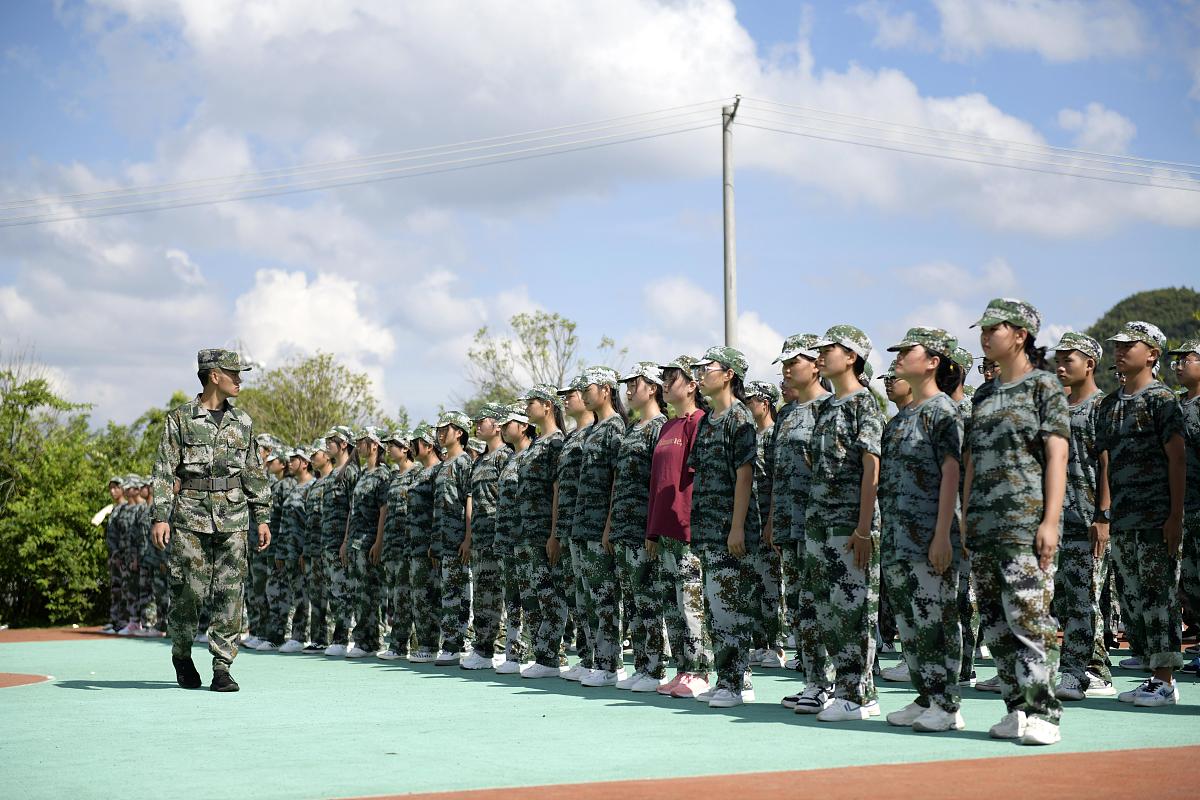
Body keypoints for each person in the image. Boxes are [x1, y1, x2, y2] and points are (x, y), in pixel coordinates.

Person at [965, 298, 1068, 745]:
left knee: (1030, 619)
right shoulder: (984, 393)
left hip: (1025, 523)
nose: (985, 337)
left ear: (1021, 335)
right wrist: (966, 515)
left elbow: (1056, 455)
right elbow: (971, 462)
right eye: (983, 330)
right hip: (985, 525)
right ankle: (1016, 708)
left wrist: (1050, 520)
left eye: (995, 329)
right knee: (995, 623)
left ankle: (1045, 712)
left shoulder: (1044, 387)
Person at [150, 348, 271, 692]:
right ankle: (182, 653)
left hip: (233, 517)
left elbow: (254, 473)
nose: (240, 380)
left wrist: (262, 516)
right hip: (190, 517)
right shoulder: (180, 418)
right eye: (234, 374)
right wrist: (161, 516)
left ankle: (222, 665)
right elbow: (163, 471)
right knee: (189, 591)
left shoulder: (243, 422)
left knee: (230, 594)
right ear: (214, 375)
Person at [879, 327, 965, 732]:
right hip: (898, 538)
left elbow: (952, 473)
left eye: (906, 352)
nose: (897, 358)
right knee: (910, 624)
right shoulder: (900, 420)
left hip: (930, 536)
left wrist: (943, 534)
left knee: (938, 620)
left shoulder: (944, 411)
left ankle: (947, 704)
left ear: (933, 361)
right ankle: (926, 694)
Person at [1098, 321, 1186, 707]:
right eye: (1117, 346)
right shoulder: (1110, 404)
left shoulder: (1162, 399)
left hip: (1155, 516)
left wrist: (1175, 515)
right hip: (1124, 517)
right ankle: (1153, 673)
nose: (1119, 351)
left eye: (1129, 345)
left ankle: (1165, 679)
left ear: (1152, 354)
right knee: (1131, 597)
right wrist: (1104, 513)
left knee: (1158, 596)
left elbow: (1178, 458)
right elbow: (1104, 461)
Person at [803, 326, 884, 722]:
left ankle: (860, 694)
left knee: (855, 609)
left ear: (851, 356)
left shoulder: (863, 404)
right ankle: (843, 688)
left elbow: (872, 466)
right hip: (820, 525)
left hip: (851, 525)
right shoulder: (826, 406)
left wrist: (864, 527)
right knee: (829, 611)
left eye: (829, 348)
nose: (821, 354)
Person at [687, 346, 760, 708]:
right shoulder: (706, 420)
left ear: (728, 374)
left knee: (730, 605)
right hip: (706, 529)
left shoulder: (740, 418)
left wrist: (737, 528)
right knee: (716, 607)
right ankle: (730, 678)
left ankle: (735, 682)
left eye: (707, 368)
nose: (700, 374)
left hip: (729, 530)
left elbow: (744, 477)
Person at [768, 335, 835, 712]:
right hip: (790, 527)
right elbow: (779, 474)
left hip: (820, 525)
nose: (787, 369)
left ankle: (833, 683)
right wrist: (775, 523)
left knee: (823, 604)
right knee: (799, 604)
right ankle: (813, 679)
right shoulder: (788, 413)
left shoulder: (828, 408)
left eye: (795, 361)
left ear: (816, 365)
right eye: (784, 363)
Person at [1050, 332, 1116, 700]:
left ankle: (1075, 672)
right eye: (1057, 359)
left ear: (1089, 364)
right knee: (1066, 598)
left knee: (1083, 598)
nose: (1060, 366)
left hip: (1087, 519)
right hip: (1059, 519)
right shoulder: (1058, 407)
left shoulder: (1101, 407)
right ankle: (1097, 669)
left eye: (1068, 359)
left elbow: (1107, 462)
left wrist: (1103, 516)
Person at [647, 355, 711, 699]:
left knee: (690, 601)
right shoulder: (668, 427)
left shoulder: (699, 422)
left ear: (692, 384)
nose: (666, 383)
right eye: (665, 377)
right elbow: (658, 481)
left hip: (687, 527)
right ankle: (683, 668)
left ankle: (700, 671)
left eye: (673, 378)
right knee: (672, 602)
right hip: (664, 526)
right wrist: (653, 530)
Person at [609, 364, 668, 691]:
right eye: (628, 385)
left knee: (649, 599)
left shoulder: (660, 426)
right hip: (623, 527)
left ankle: (655, 668)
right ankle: (643, 665)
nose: (629, 390)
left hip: (644, 528)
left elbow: (660, 483)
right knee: (633, 601)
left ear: (654, 388)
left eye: (636, 384)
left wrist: (653, 531)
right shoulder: (632, 428)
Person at [572, 366, 629, 687]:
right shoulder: (593, 430)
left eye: (588, 388)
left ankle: (610, 664)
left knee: (604, 597)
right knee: (586, 599)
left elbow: (616, 482)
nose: (583, 394)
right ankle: (595, 658)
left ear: (606, 390)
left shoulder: (615, 428)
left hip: (599, 528)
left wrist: (609, 525)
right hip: (582, 526)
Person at [515, 386, 570, 679]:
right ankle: (543, 654)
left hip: (542, 532)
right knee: (533, 596)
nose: (527, 407)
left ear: (548, 406)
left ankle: (552, 656)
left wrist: (554, 533)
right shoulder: (537, 444)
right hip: (526, 532)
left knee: (550, 593)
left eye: (532, 402)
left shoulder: (556, 443)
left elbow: (556, 490)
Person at [461, 407, 510, 670]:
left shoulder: (506, 456)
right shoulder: (479, 461)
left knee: (499, 594)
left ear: (498, 425)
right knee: (482, 594)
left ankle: (500, 647)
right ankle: (482, 648)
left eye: (482, 421)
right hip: (480, 537)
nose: (477, 426)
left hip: (498, 535)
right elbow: (471, 500)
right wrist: (469, 536)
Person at [555, 376, 596, 681]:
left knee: (598, 595)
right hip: (572, 526)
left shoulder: (598, 431)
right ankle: (587, 655)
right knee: (579, 596)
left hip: (593, 526)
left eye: (574, 394)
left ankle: (605, 660)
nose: (569, 399)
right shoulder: (571, 437)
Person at [745, 380, 785, 670]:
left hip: (767, 517)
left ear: (765, 402)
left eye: (751, 400)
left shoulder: (773, 435)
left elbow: (778, 481)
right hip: (750, 520)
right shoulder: (749, 435)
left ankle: (777, 645)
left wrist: (772, 520)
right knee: (754, 583)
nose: (747, 405)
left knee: (771, 584)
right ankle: (760, 643)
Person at [260, 448, 314, 653]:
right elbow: (283, 523)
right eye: (290, 459)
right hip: (286, 550)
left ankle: (299, 636)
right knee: (279, 593)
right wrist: (281, 551)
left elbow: (310, 522)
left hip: (301, 551)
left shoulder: (311, 486)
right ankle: (277, 635)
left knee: (301, 594)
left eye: (295, 459)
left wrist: (304, 550)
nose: (291, 462)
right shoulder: (292, 487)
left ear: (305, 462)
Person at [432, 411, 475, 666]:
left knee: (457, 593)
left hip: (458, 539)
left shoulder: (463, 463)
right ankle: (451, 641)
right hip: (443, 541)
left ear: (459, 432)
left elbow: (468, 500)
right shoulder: (443, 465)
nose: (440, 432)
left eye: (445, 428)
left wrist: (468, 537)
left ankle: (454, 643)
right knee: (448, 592)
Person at [344, 427, 391, 658]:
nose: (359, 446)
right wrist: (345, 541)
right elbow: (352, 511)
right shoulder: (363, 474)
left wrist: (379, 541)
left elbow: (384, 510)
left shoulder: (383, 474)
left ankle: (370, 640)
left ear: (374, 445)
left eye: (362, 442)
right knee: (358, 591)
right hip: (355, 541)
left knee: (370, 592)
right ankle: (364, 639)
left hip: (369, 540)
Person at [1167, 339, 1200, 669]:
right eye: (1174, 361)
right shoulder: (1175, 405)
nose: (1177, 365)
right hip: (1182, 507)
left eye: (1186, 359)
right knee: (1189, 582)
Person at [376, 430, 420, 660]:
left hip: (409, 543)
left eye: (393, 445)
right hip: (392, 545)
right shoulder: (392, 477)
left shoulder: (417, 473)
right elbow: (384, 512)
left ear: (405, 448)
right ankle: (400, 643)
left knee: (405, 595)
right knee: (395, 595)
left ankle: (401, 645)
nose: (389, 449)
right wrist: (380, 541)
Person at [405, 424, 444, 663]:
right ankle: (426, 643)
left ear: (428, 446)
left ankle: (431, 645)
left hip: (430, 547)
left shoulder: (438, 471)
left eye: (416, 442)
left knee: (430, 596)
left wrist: (434, 543)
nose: (411, 447)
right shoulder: (419, 473)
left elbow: (440, 509)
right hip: (415, 546)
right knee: (420, 597)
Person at [320, 426, 358, 656]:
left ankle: (343, 637)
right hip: (328, 541)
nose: (327, 446)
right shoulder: (333, 472)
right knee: (334, 590)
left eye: (331, 441)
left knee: (344, 590)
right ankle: (338, 636)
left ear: (343, 444)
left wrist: (346, 541)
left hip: (341, 542)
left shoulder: (351, 472)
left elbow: (353, 510)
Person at [303, 440, 334, 653]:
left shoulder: (335, 480)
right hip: (314, 549)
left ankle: (337, 638)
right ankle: (319, 638)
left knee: (333, 595)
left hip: (330, 546)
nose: (312, 457)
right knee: (316, 595)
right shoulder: (315, 484)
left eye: (316, 453)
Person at [100, 476, 127, 635]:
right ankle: (115, 620)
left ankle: (123, 621)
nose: (112, 491)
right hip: (114, 555)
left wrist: (120, 554)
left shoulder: (126, 508)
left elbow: (126, 534)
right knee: (116, 588)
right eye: (110, 488)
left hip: (123, 555)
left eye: (116, 487)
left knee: (124, 588)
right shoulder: (115, 508)